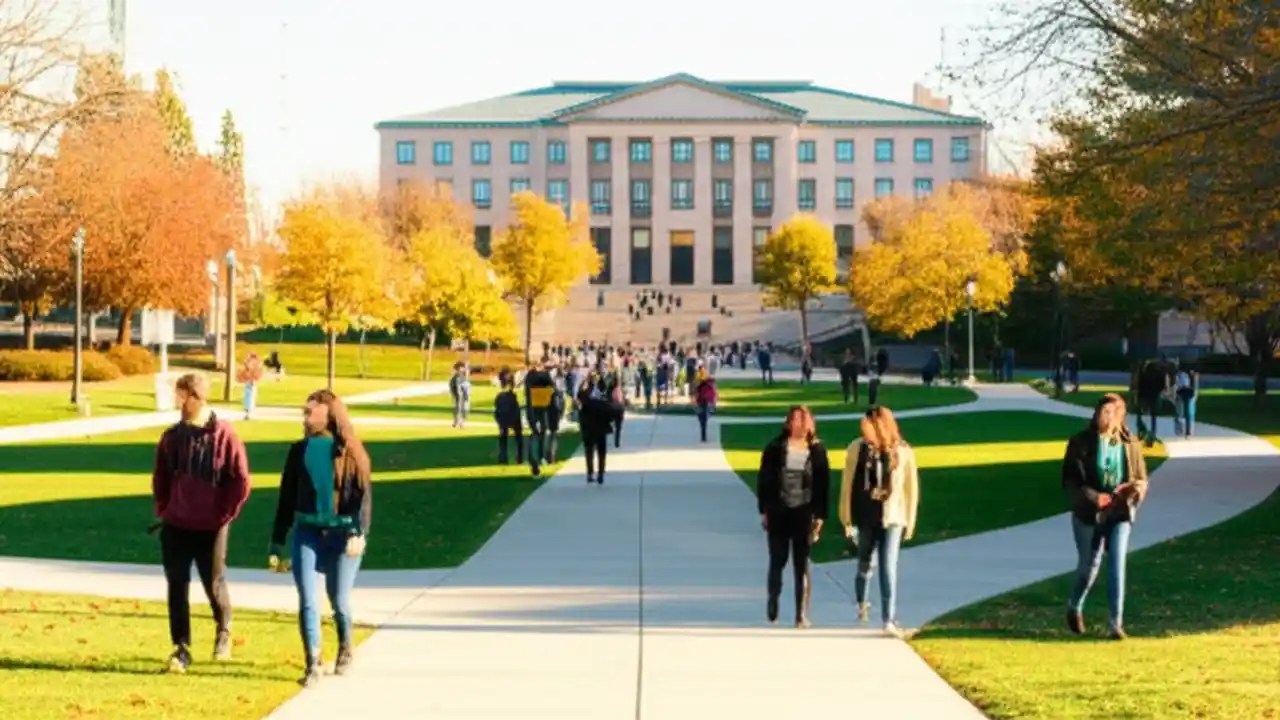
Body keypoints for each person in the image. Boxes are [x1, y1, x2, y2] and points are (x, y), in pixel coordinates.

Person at [270, 390, 372, 686]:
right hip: (307, 532)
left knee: (338, 599)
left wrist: (358, 531)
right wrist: (277, 541)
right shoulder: (298, 451)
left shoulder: (351, 451)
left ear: (328, 414)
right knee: (307, 599)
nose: (304, 416)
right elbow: (286, 498)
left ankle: (345, 647)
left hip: (343, 534)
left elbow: (362, 495)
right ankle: (312, 662)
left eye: (310, 411)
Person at [151, 373, 252, 673]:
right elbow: (161, 477)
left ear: (196, 397)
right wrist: (165, 508)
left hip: (211, 526)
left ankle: (224, 632)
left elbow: (241, 480)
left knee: (214, 583)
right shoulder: (172, 437)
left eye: (180, 395)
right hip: (176, 524)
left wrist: (225, 514)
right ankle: (181, 646)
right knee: (177, 585)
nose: (176, 401)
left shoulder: (224, 435)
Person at [1061, 393, 1150, 640]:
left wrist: (1136, 489)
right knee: (1089, 566)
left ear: (1120, 416)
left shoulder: (1130, 443)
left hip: (1120, 511)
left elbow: (1142, 477)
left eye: (1112, 412)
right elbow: (1071, 479)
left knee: (1117, 563)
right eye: (1103, 412)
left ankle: (1115, 624)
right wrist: (1093, 496)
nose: (1106, 417)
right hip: (1089, 514)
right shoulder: (1081, 442)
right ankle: (1075, 605)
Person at [838, 406, 919, 637]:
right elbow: (847, 485)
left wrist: (909, 520)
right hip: (865, 515)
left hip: (893, 517)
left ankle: (888, 620)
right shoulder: (857, 449)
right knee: (865, 563)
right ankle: (862, 602)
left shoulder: (902, 452)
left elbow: (910, 489)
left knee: (888, 566)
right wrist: (846, 516)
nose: (864, 430)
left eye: (868, 426)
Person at [755, 406, 831, 628]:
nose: (797, 424)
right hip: (779, 511)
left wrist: (820, 516)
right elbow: (765, 480)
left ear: (809, 424)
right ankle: (773, 601)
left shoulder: (816, 450)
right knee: (777, 560)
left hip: (804, 512)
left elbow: (823, 484)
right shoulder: (775, 447)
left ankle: (800, 614)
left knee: (801, 564)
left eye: (801, 420)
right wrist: (764, 509)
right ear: (787, 423)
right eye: (793, 419)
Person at [578, 378, 620, 485]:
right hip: (601, 430)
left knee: (589, 452)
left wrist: (583, 384)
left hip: (588, 430)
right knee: (601, 452)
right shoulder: (603, 402)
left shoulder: (586, 402)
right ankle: (600, 474)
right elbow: (613, 414)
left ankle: (590, 473)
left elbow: (579, 395)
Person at [524, 358, 557, 477]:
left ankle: (535, 460)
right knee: (541, 434)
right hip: (543, 408)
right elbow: (553, 389)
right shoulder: (544, 377)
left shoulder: (529, 378)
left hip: (533, 408)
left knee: (535, 434)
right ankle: (540, 457)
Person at [494, 371, 524, 464]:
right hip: (514, 417)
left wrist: (498, 418)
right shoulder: (512, 395)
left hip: (503, 418)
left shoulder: (499, 396)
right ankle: (519, 457)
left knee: (503, 438)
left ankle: (503, 457)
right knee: (518, 438)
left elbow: (497, 407)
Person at [694, 369, 718, 442]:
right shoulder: (708, 387)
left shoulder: (702, 386)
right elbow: (712, 396)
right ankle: (703, 436)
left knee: (702, 421)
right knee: (704, 420)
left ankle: (703, 436)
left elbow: (697, 394)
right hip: (705, 404)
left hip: (702, 404)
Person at [238, 353, 264, 420]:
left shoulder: (254, 364)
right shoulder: (255, 363)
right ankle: (248, 412)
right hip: (250, 382)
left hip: (251, 382)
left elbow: (252, 371)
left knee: (249, 397)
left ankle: (248, 413)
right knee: (249, 396)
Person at [1176, 367, 1197, 438]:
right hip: (1188, 393)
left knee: (1181, 413)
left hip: (1183, 392)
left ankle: (1183, 430)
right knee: (1188, 414)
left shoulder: (1179, 376)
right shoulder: (1188, 376)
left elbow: (1179, 386)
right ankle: (1187, 431)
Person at [448, 362, 471, 429]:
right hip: (458, 396)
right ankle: (456, 421)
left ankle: (462, 422)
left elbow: (467, 374)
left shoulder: (465, 377)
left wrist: (467, 368)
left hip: (465, 396)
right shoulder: (455, 378)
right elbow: (452, 387)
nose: (461, 370)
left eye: (462, 368)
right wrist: (454, 394)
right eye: (459, 369)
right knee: (458, 408)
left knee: (465, 409)